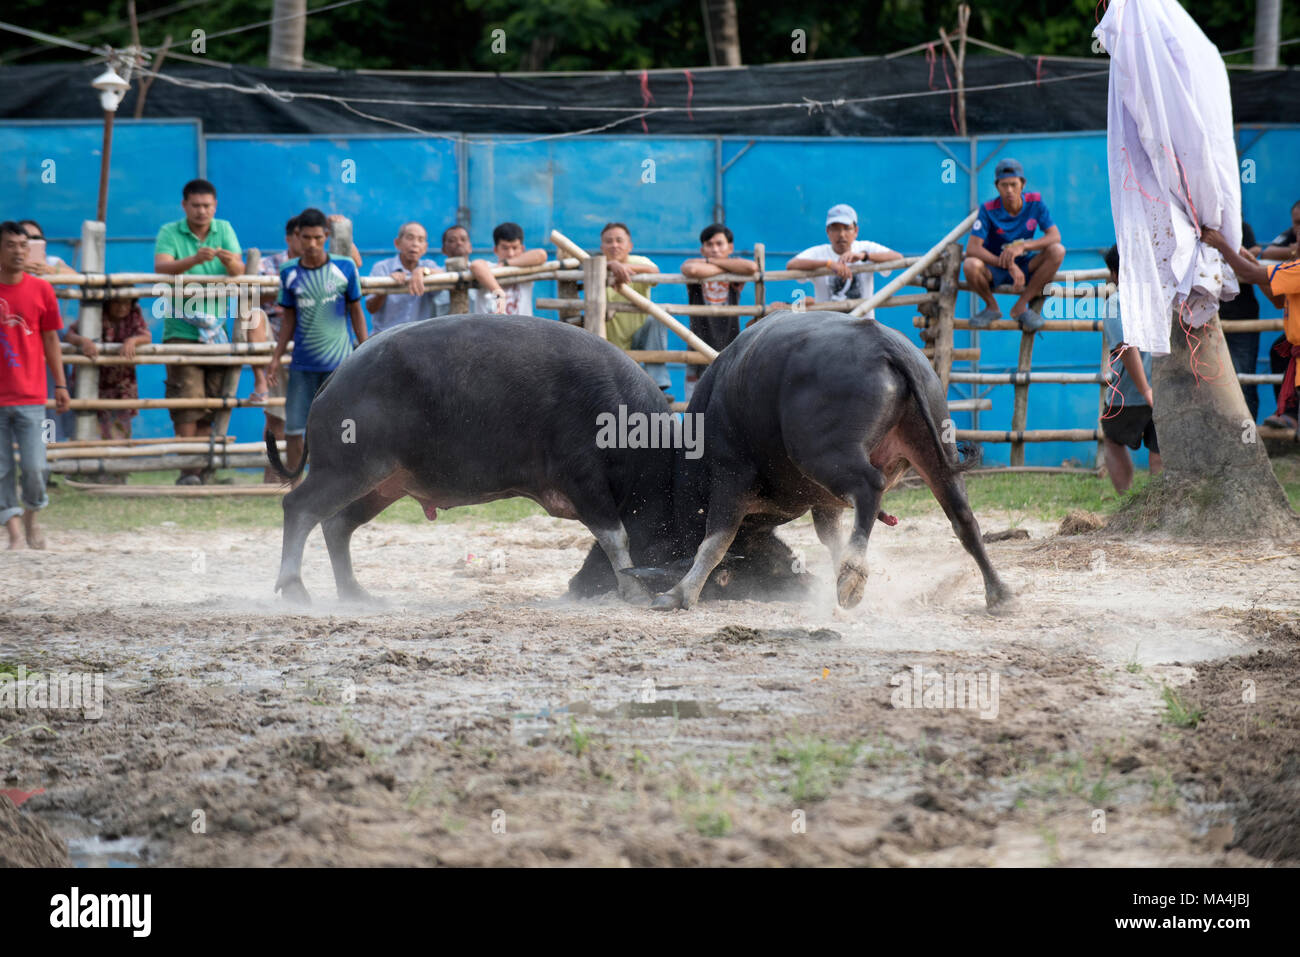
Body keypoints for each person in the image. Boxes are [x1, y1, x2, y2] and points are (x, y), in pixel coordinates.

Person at [153, 178, 245, 485]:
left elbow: (240, 270)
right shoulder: (169, 231)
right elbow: (161, 268)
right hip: (181, 329)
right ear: (184, 206)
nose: (202, 211)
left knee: (211, 401)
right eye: (196, 205)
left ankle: (204, 469)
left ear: (215, 206)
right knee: (186, 402)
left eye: (207, 206)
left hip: (216, 330)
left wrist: (232, 263)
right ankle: (188, 470)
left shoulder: (225, 229)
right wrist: (194, 260)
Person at [268, 208, 366, 484]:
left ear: (325, 236)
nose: (311, 244)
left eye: (317, 238)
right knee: (295, 427)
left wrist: (365, 347)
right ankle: (296, 486)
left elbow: (356, 311)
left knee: (344, 424)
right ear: (297, 237)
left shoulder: (345, 267)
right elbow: (288, 318)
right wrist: (276, 357)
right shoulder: (288, 272)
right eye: (306, 238)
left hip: (340, 365)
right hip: (302, 363)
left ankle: (340, 482)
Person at [0, 221, 71, 549]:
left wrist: (60, 384)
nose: (18, 251)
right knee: (0, 469)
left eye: (22, 245)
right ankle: (14, 532)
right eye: (10, 245)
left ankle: (31, 516)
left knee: (35, 466)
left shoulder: (42, 290)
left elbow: (51, 340)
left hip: (31, 395)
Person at [1201, 226, 1299, 432]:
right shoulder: (1293, 269)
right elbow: (1278, 299)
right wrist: (1252, 261)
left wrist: (1222, 246)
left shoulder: (1296, 269)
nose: (1294, 242)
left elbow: (1250, 274)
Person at [963, 159, 1066, 332]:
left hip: (1026, 264)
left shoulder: (1036, 202)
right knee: (970, 264)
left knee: (1057, 251)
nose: (1009, 190)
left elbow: (1055, 236)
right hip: (994, 267)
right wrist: (1008, 264)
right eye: (1004, 185)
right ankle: (992, 306)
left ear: (1022, 184)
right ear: (997, 186)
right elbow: (973, 248)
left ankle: (1021, 305)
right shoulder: (988, 209)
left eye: (1013, 184)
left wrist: (1023, 247)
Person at [1100, 245, 1162, 493]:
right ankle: (1161, 509)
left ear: (1115, 274)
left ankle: (1125, 500)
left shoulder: (1116, 301)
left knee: (1113, 439)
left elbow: (1126, 347)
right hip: (1166, 388)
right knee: (1160, 449)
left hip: (1128, 393)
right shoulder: (1162, 297)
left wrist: (1146, 390)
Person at [786, 204, 901, 318]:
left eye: (847, 228)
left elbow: (897, 257)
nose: (841, 234)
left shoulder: (865, 247)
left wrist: (864, 256)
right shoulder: (819, 252)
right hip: (826, 326)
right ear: (827, 231)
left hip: (864, 327)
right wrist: (828, 264)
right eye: (835, 229)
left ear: (855, 231)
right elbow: (792, 264)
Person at [680, 223, 756, 393]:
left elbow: (751, 267)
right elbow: (691, 269)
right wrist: (722, 264)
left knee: (726, 399)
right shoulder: (697, 264)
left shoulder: (736, 270)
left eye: (719, 244)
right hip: (697, 345)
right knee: (694, 408)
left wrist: (710, 263)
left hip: (729, 345)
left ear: (730, 247)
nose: (714, 249)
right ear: (702, 249)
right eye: (709, 245)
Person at [64, 296, 151, 443]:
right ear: (108, 302)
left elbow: (146, 336)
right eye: (117, 302)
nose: (122, 307)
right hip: (91, 381)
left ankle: (117, 462)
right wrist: (83, 341)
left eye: (126, 302)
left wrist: (133, 341)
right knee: (86, 427)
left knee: (119, 431)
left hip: (121, 383)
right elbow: (70, 334)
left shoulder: (134, 314)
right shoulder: (95, 313)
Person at [254, 216, 300, 482]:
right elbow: (253, 294)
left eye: (317, 237)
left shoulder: (324, 263)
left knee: (313, 420)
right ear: (289, 237)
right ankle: (272, 479)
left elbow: (354, 262)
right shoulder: (268, 264)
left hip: (307, 344)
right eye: (301, 236)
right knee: (275, 417)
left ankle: (298, 480)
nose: (308, 242)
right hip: (274, 342)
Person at [599, 223, 670, 394]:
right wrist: (612, 265)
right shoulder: (595, 265)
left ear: (629, 245)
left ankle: (658, 384)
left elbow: (655, 272)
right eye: (609, 241)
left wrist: (624, 269)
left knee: (658, 317)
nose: (614, 245)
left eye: (619, 240)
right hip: (607, 340)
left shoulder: (641, 261)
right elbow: (581, 268)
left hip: (640, 338)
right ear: (602, 247)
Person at [1219, 219, 1263, 421]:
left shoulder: (1238, 225)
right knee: (1210, 385)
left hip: (1240, 317)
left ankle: (1248, 440)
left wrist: (1232, 256)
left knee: (1243, 380)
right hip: (1207, 320)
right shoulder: (1192, 227)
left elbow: (1255, 251)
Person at [366, 222, 442, 334]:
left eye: (420, 240)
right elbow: (370, 308)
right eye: (410, 238)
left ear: (425, 248)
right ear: (397, 243)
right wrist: (387, 285)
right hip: (385, 338)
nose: (415, 244)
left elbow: (444, 273)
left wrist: (422, 271)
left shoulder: (428, 265)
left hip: (419, 337)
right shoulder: (382, 267)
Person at [469, 222, 546, 316]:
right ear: (495, 250)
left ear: (522, 248)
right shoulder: (490, 269)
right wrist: (498, 292)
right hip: (487, 329)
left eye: (515, 247)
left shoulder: (527, 268)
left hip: (522, 328)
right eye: (505, 248)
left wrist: (506, 263)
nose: (510, 253)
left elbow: (541, 255)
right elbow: (476, 265)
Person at [434, 224, 477, 315]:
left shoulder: (485, 271)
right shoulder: (435, 278)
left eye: (463, 239)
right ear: (443, 249)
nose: (459, 243)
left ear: (470, 247)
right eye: (452, 240)